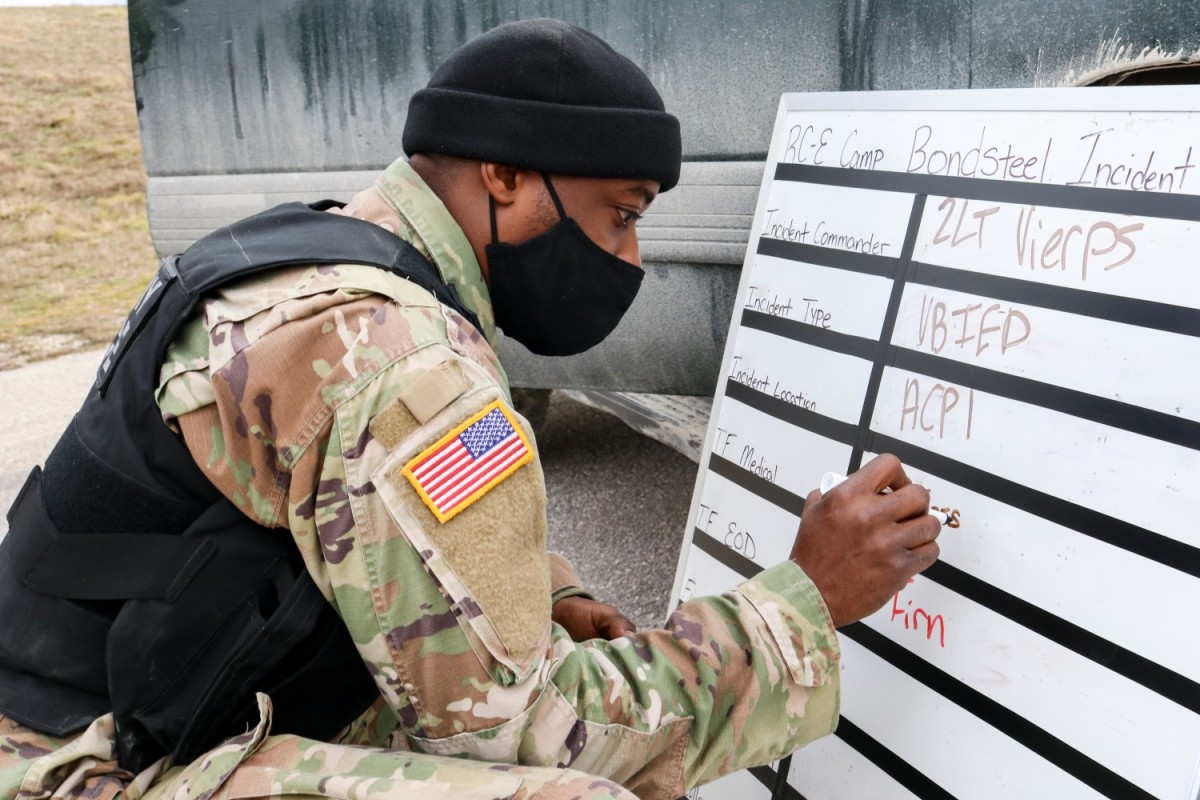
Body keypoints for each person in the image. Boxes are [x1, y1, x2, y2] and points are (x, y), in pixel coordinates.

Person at [0, 18, 940, 800]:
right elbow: (530, 737)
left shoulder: (319, 256)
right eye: (622, 211)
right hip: (80, 768)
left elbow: (354, 524)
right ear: (505, 176)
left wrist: (550, 593)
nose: (635, 256)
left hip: (98, 699)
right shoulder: (405, 365)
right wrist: (805, 600)